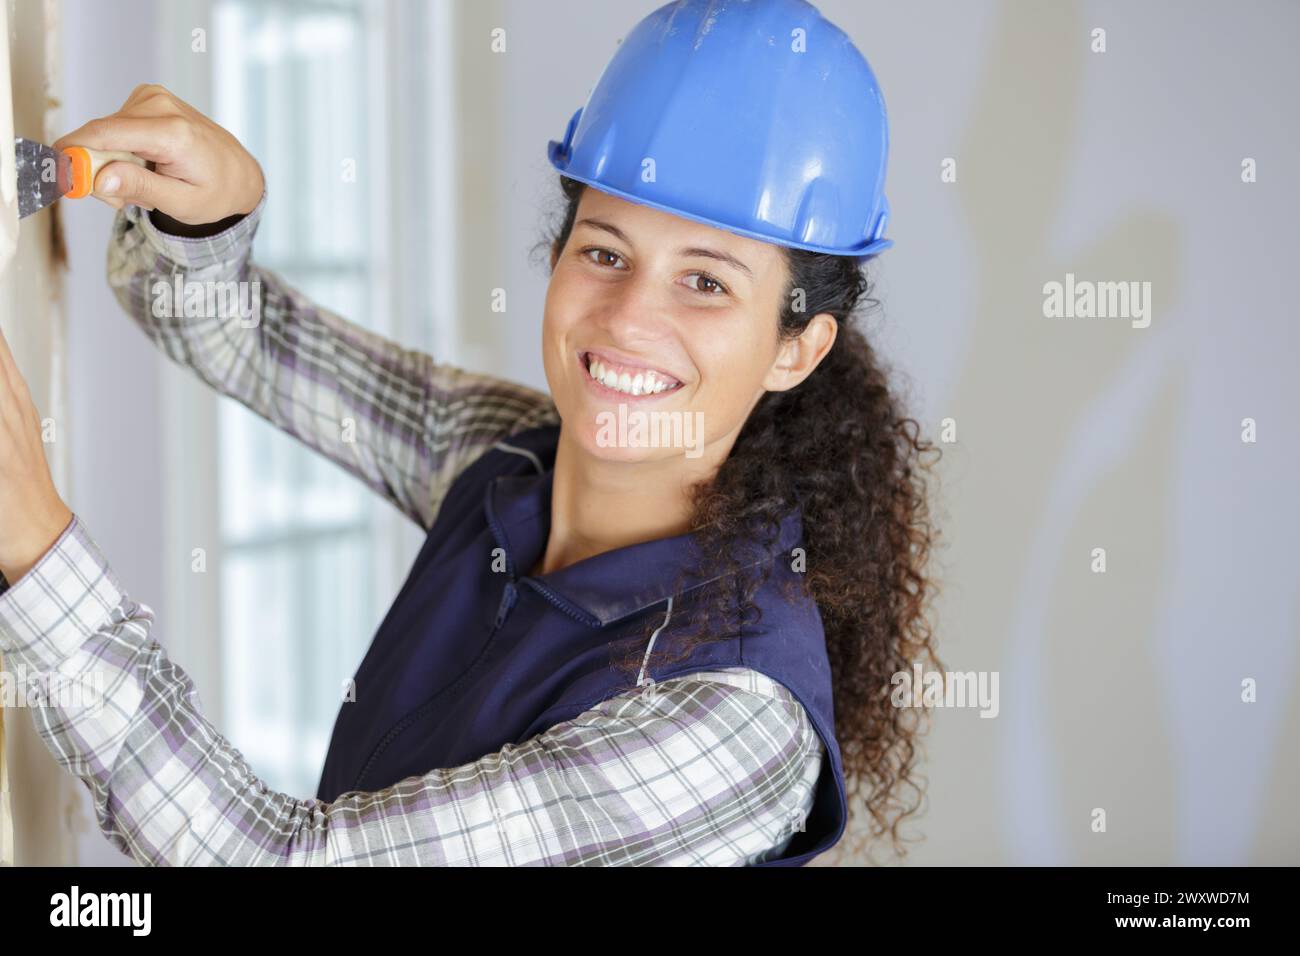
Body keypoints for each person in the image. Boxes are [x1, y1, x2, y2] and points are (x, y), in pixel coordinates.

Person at [0, 0, 939, 866]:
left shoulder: (730, 723)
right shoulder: (512, 455)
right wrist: (211, 211)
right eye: (604, 251)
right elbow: (233, 337)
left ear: (799, 347)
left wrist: (40, 556)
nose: (626, 319)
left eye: (707, 281)